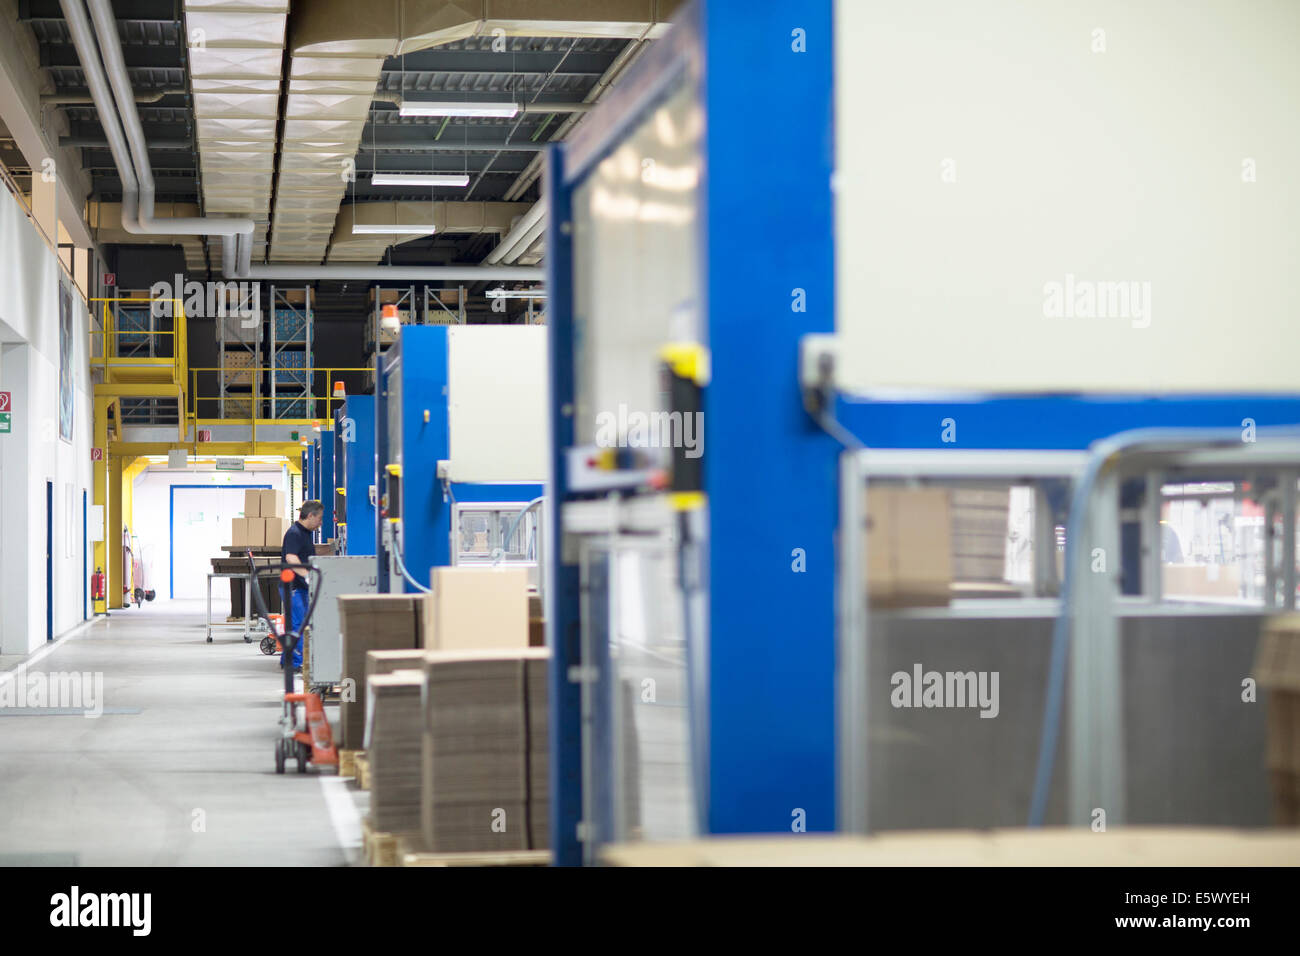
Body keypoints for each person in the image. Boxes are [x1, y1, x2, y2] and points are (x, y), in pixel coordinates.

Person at [280, 500, 324, 670]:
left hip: (299, 588)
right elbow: (291, 558)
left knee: (296, 624)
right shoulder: (295, 533)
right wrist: (307, 577)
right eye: (319, 518)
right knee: (299, 625)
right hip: (293, 587)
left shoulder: (305, 533)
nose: (321, 523)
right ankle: (297, 664)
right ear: (310, 515)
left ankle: (288, 660)